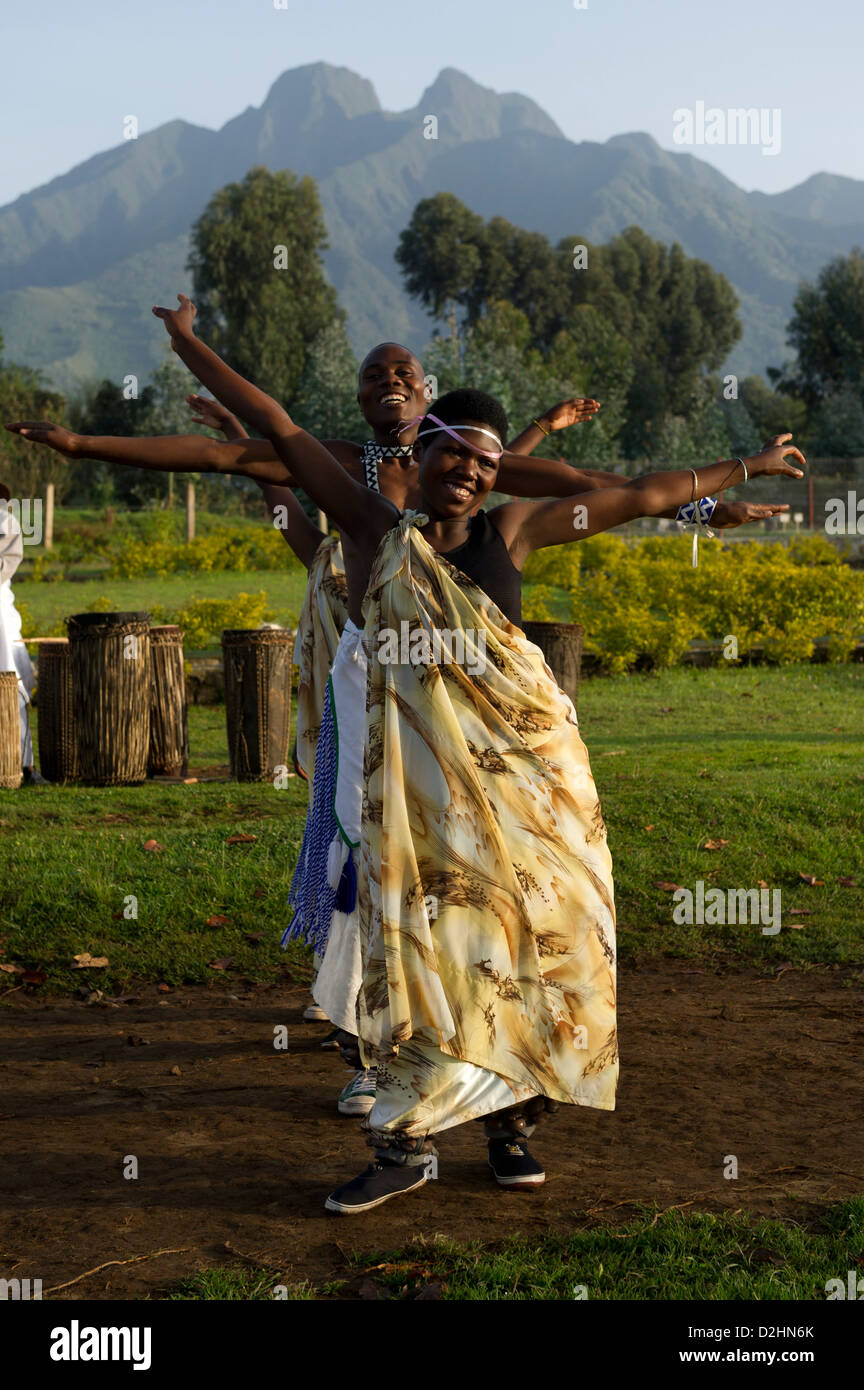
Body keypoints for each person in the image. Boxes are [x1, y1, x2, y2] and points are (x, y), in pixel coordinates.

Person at [137, 294, 804, 1213]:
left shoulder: (519, 531)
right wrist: (184, 341)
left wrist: (743, 468)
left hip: (538, 789)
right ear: (423, 452)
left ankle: (511, 1121)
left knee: (549, 942)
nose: (473, 472)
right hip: (420, 796)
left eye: (491, 462)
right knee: (433, 945)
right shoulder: (374, 531)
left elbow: (645, 492)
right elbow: (272, 427)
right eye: (457, 451)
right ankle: (404, 1141)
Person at [0, 484, 42, 783]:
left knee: (11, 681)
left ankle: (23, 764)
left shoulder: (4, 521)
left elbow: (7, 563)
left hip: (0, 612)